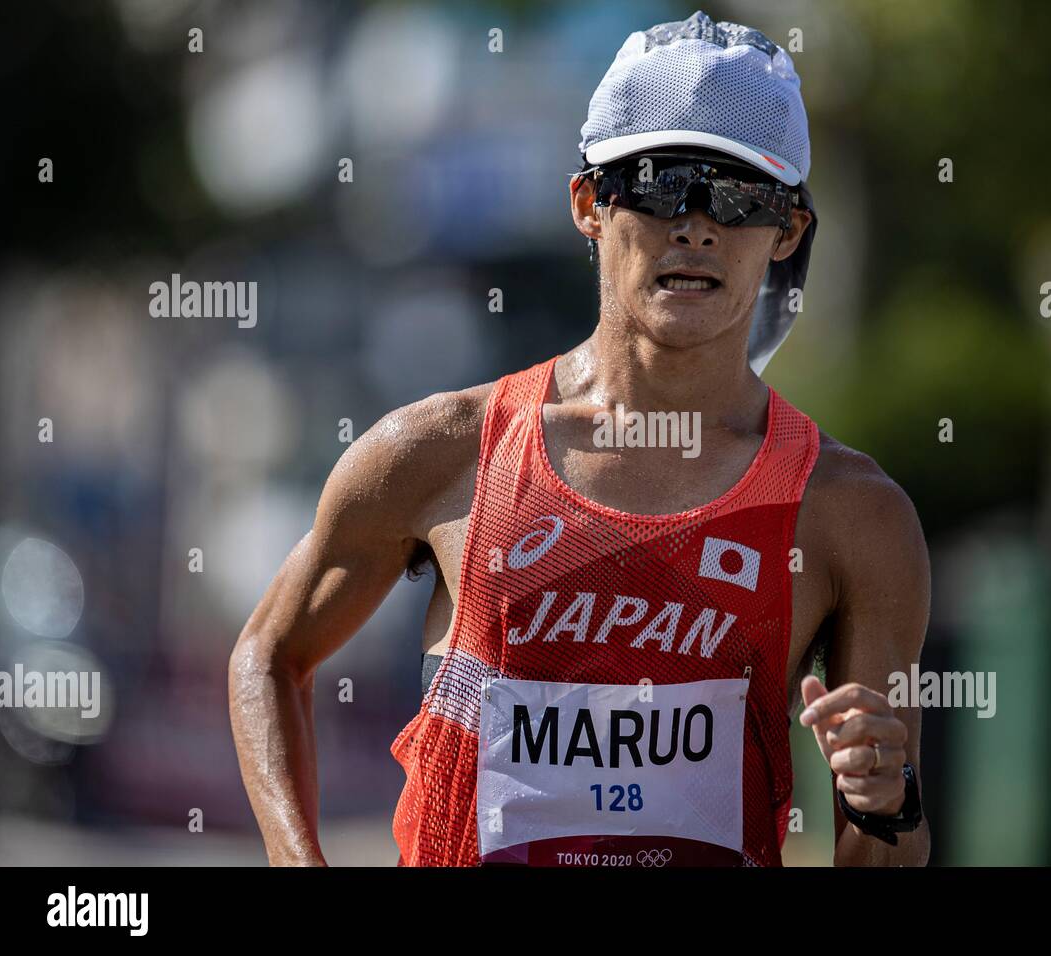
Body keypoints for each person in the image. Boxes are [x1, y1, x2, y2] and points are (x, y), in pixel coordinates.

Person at [230, 9, 931, 867]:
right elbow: (268, 653)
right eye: (662, 182)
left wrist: (885, 802)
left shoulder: (849, 515)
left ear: (787, 232)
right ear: (589, 205)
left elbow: (885, 848)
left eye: (742, 196)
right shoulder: (442, 452)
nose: (698, 226)